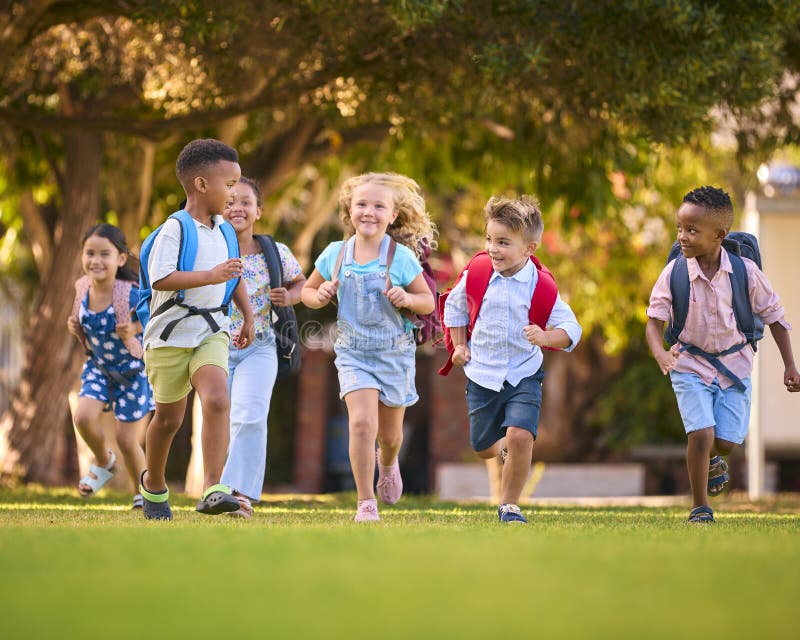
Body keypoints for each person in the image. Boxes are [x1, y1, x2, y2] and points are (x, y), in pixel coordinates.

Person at [646, 186, 800, 524]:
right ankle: (700, 507)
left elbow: (775, 317)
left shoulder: (746, 272)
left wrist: (790, 365)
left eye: (691, 230)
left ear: (719, 235)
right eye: (679, 228)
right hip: (688, 363)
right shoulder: (675, 273)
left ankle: (713, 456)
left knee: (727, 442)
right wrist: (659, 353)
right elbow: (653, 322)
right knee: (700, 434)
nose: (682, 237)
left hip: (735, 365)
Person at [301, 172, 436, 522]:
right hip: (353, 354)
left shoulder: (400, 257)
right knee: (362, 424)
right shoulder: (335, 254)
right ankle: (365, 502)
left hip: (394, 355)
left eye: (379, 206)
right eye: (361, 204)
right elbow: (306, 292)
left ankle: (387, 462)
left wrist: (408, 297)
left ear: (392, 215)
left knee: (390, 436)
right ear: (350, 211)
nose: (369, 212)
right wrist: (320, 294)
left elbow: (428, 301)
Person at [443, 196, 582, 524]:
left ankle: (509, 506)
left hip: (524, 374)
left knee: (521, 436)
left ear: (529, 248)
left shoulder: (540, 286)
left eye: (503, 242)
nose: (493, 249)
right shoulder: (477, 274)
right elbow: (454, 308)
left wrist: (546, 337)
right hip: (482, 375)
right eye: (489, 239)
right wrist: (459, 346)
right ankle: (503, 444)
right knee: (483, 447)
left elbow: (571, 329)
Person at [138, 138, 254, 521]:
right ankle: (154, 484)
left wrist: (248, 315)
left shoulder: (225, 231)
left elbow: (234, 275)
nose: (234, 195)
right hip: (169, 336)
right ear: (201, 184)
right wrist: (209, 275)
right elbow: (161, 278)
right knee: (168, 420)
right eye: (230, 185)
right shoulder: (175, 228)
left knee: (218, 399)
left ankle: (213, 488)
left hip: (211, 330)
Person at [219, 177, 306, 518]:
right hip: (214, 346)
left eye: (245, 202)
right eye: (229, 202)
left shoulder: (275, 251)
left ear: (258, 211)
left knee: (250, 415)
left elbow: (299, 283)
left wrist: (290, 296)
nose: (236, 208)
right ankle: (215, 489)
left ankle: (240, 495)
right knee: (219, 419)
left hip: (260, 346)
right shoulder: (209, 249)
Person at [67, 224, 152, 509]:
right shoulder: (81, 288)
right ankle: (104, 461)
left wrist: (135, 328)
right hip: (100, 368)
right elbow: (84, 325)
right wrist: (75, 328)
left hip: (132, 372)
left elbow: (155, 318)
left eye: (105, 254)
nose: (96, 260)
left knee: (127, 440)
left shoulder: (130, 293)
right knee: (82, 417)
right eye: (90, 253)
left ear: (121, 259)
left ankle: (144, 494)